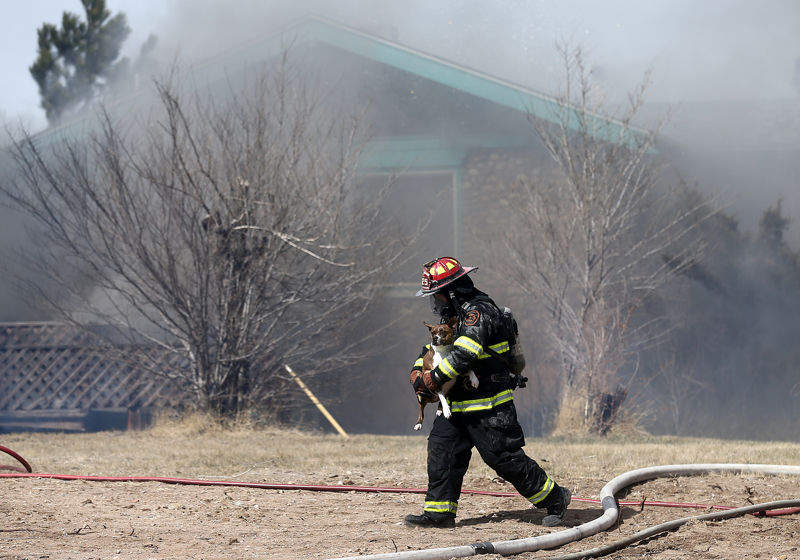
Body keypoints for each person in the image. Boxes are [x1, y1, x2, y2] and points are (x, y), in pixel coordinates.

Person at [405, 256, 570, 529]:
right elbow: (431, 352)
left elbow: (464, 355)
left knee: (503, 459)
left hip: (488, 404)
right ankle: (439, 514)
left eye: (438, 296)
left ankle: (555, 498)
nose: (436, 303)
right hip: (456, 405)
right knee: (442, 452)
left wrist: (433, 379)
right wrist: (417, 375)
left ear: (453, 291)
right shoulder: (451, 316)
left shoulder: (479, 313)